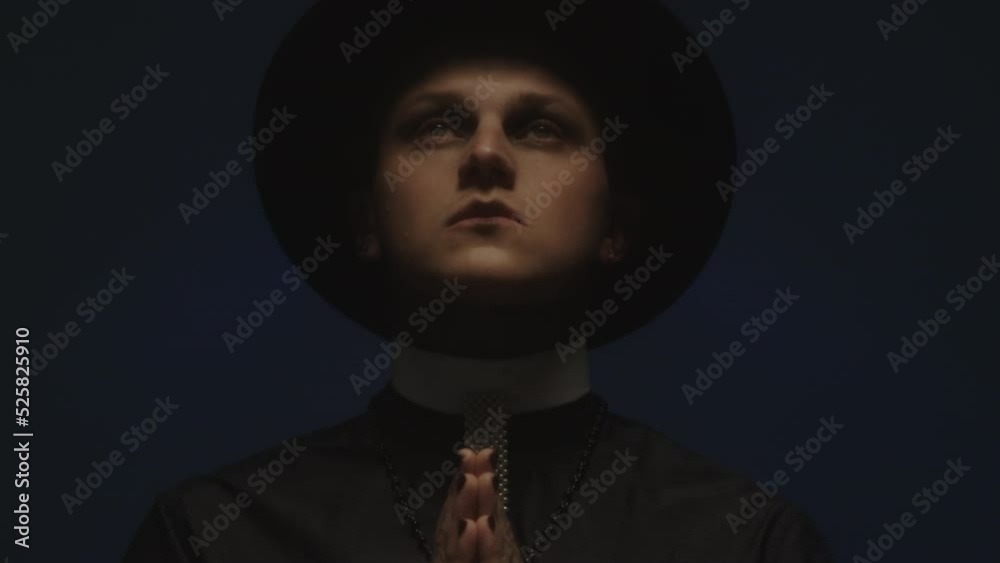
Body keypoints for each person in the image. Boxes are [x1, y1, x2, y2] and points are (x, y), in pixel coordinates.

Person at [122, 0, 834, 561]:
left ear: (617, 226)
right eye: (439, 126)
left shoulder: (745, 541)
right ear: (366, 220)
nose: (486, 154)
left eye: (541, 127)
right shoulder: (214, 535)